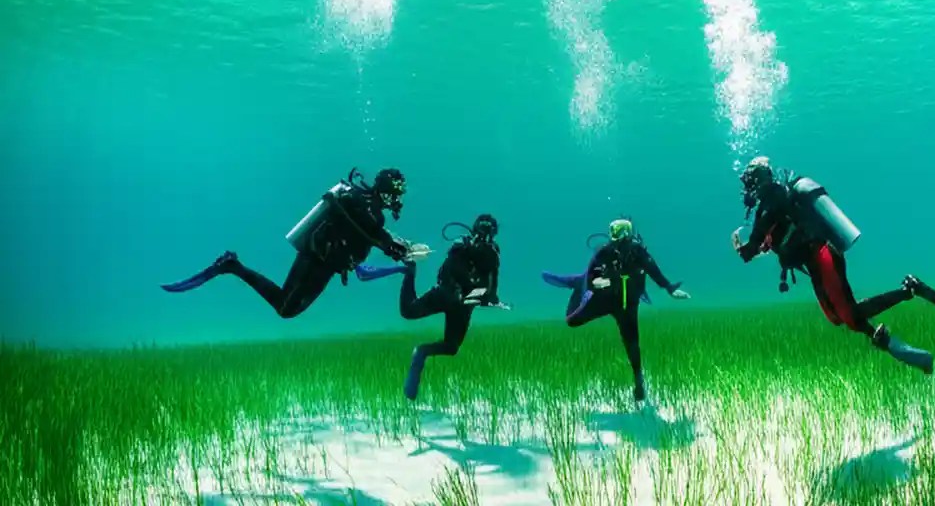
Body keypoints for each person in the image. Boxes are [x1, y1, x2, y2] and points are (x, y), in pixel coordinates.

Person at [732, 156, 935, 374]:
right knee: (836, 317)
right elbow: (772, 233)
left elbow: (761, 230)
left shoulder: (773, 197)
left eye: (750, 182)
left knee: (849, 314)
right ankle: (881, 334)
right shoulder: (772, 202)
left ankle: (909, 290)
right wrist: (758, 246)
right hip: (813, 263)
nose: (748, 189)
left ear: (759, 180)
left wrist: (749, 248)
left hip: (823, 253)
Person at [161, 168, 416, 319]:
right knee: (286, 309)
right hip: (318, 263)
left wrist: (392, 244)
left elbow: (369, 230)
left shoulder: (362, 202)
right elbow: (370, 230)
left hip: (317, 260)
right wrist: (390, 246)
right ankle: (232, 266)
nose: (399, 200)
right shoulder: (369, 209)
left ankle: (233, 266)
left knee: (286, 306)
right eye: (397, 194)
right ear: (386, 192)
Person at [358, 214, 507, 401]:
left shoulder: (485, 250)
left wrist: (488, 297)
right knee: (418, 320)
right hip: (451, 297)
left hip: (457, 300)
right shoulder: (470, 245)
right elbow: (464, 271)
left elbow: (490, 281)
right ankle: (409, 272)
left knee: (447, 343)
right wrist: (481, 295)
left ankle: (421, 350)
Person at [542, 218, 691, 403]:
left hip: (627, 305)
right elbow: (594, 274)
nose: (618, 235)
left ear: (628, 233)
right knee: (572, 321)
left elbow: (653, 270)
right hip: (605, 299)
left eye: (621, 230)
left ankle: (639, 384)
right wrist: (594, 283)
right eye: (615, 231)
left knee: (632, 344)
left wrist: (670, 288)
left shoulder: (638, 252)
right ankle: (576, 282)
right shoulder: (604, 251)